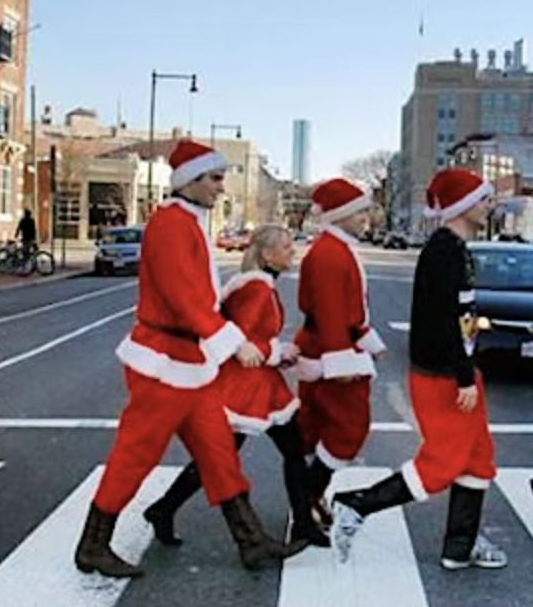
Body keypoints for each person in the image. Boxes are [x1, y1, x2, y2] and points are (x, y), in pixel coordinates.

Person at [73, 141, 296, 578]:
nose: (220, 186)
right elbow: (182, 298)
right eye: (214, 178)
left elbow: (196, 300)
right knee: (136, 455)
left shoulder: (188, 222)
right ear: (189, 180)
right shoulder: (171, 224)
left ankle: (251, 542)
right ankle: (92, 545)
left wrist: (220, 342)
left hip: (190, 362)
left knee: (219, 453)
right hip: (163, 362)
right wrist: (234, 342)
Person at [331, 169, 507, 570]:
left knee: (478, 458)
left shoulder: (455, 248)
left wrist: (468, 368)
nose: (488, 205)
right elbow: (445, 320)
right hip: (443, 375)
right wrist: (463, 375)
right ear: (462, 206)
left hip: (456, 370)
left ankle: (459, 548)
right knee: (442, 462)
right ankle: (355, 505)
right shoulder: (444, 251)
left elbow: (460, 317)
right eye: (482, 199)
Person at [142, 224, 328, 549]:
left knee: (285, 450)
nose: (292, 251)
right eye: (286, 246)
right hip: (245, 388)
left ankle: (302, 522)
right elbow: (237, 338)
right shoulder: (256, 289)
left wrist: (275, 354)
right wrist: (277, 352)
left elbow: (249, 336)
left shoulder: (259, 285)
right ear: (267, 254)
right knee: (222, 459)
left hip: (259, 382)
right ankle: (163, 509)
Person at [293, 178, 386, 525]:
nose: (366, 216)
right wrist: (343, 358)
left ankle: (307, 495)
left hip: (328, 348)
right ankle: (309, 493)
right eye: (360, 210)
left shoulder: (334, 249)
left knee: (315, 427)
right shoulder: (330, 254)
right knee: (348, 428)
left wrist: (365, 339)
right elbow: (331, 312)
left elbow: (347, 310)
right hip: (332, 352)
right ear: (340, 214)